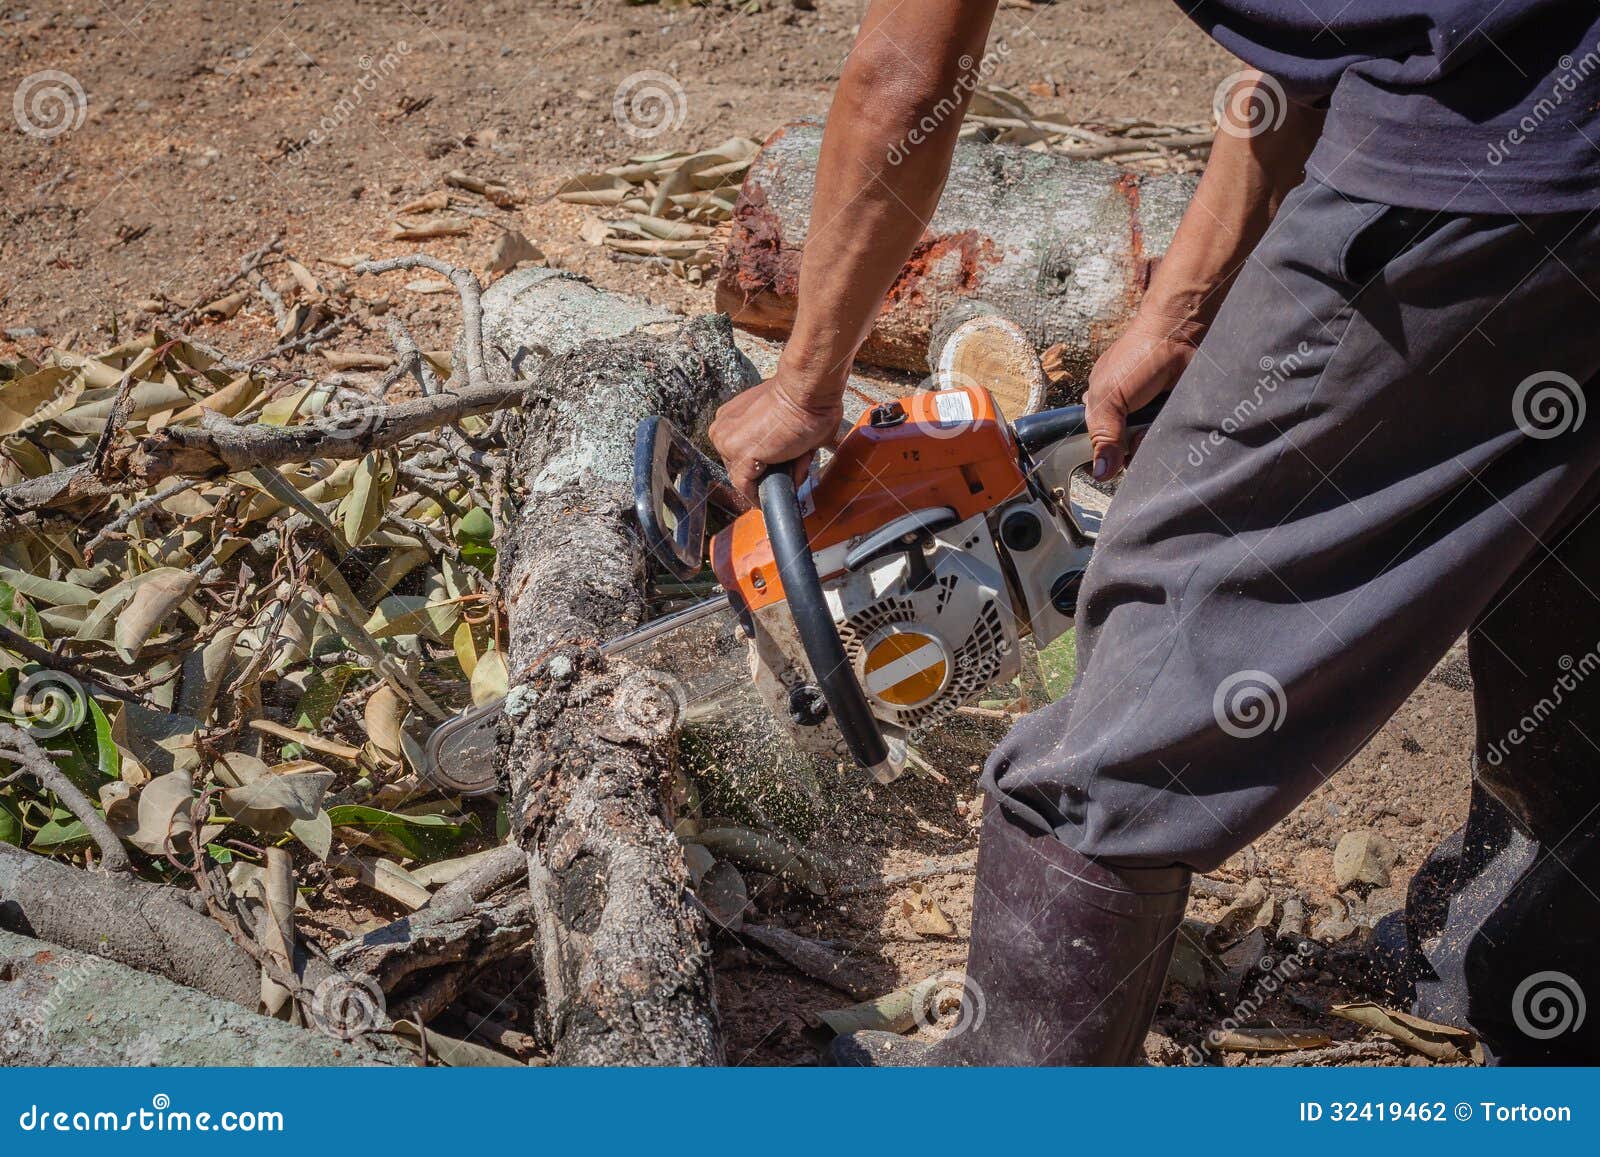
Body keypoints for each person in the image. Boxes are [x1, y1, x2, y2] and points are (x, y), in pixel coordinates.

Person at [710, 0, 1600, 1065]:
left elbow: (904, 74)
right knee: (1563, 541)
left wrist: (808, 381)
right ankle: (1536, 972)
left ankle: (1017, 1095)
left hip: (1494, 158)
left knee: (1153, 633)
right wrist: (1175, 314)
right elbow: (1311, 50)